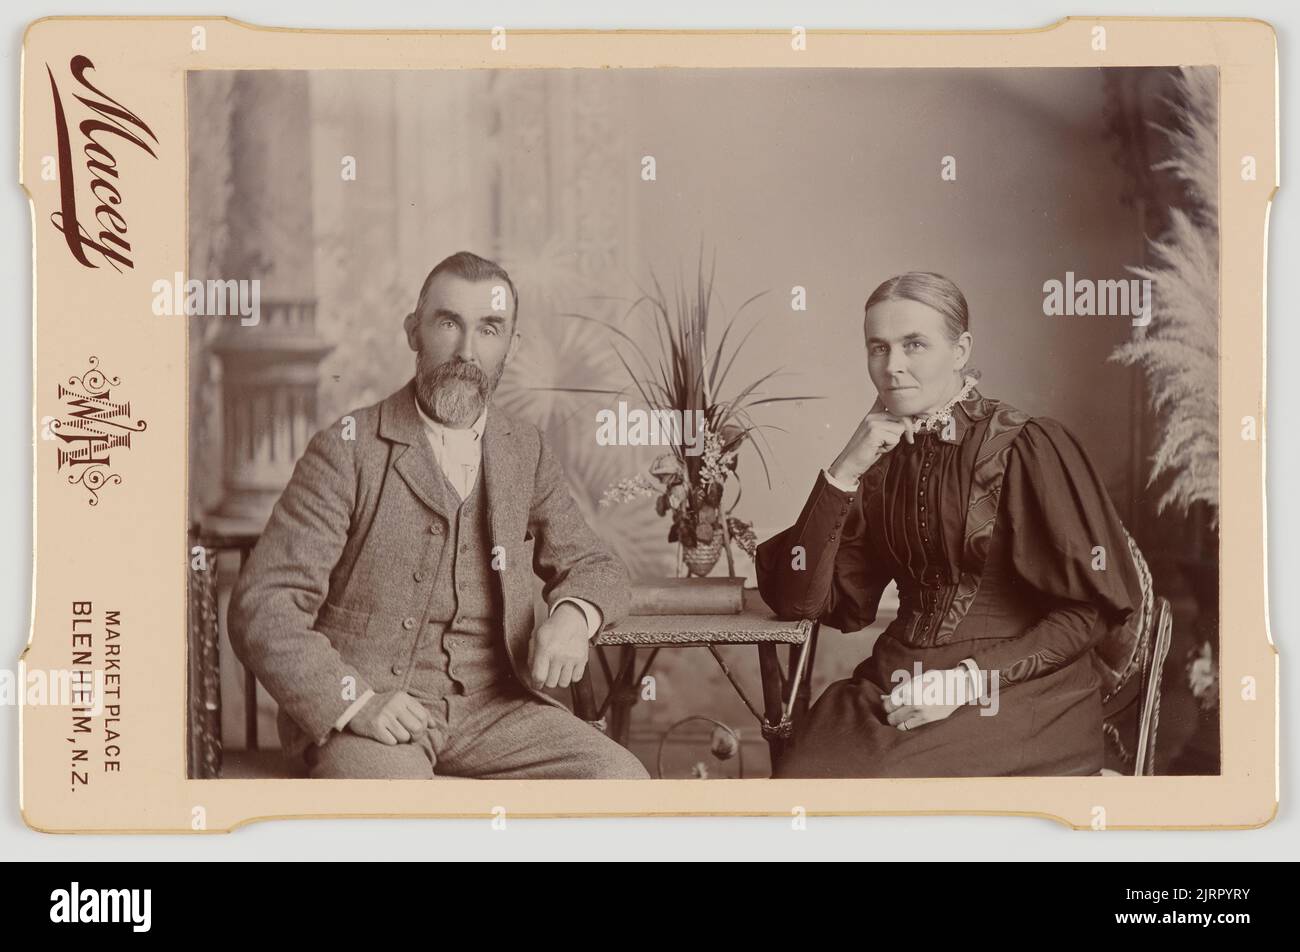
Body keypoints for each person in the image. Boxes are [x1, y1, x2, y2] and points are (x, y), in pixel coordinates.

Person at [228, 251, 648, 780]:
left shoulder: (524, 450)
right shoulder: (347, 449)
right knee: (406, 817)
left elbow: (595, 565)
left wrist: (574, 616)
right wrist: (356, 702)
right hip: (376, 716)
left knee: (619, 783)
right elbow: (263, 606)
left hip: (497, 712)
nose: (467, 351)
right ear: (414, 332)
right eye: (449, 323)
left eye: (490, 328)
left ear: (511, 346)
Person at [756, 271, 1143, 778]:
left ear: (961, 350)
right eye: (879, 348)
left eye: (915, 344)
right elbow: (800, 601)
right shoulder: (880, 459)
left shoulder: (1027, 444)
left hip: (1018, 694)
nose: (893, 367)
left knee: (885, 790)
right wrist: (846, 468)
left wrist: (965, 682)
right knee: (805, 781)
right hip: (893, 682)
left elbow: (1086, 614)